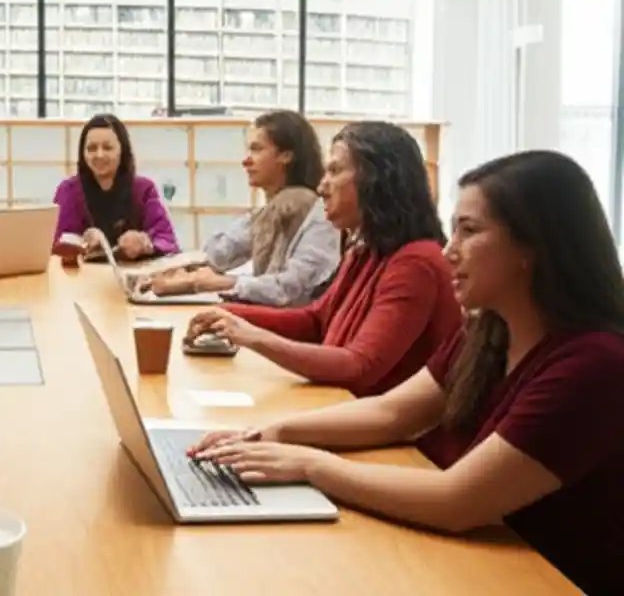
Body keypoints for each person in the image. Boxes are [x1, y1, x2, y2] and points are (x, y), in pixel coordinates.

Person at [189, 151, 624, 595]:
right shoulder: (489, 330)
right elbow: (391, 414)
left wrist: (308, 464)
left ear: (534, 247)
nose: (449, 250)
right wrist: (274, 433)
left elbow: (458, 501)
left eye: (469, 231)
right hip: (467, 558)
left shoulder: (594, 365)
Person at [187, 121, 461, 396]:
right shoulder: (365, 250)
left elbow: (360, 367)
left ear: (376, 179)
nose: (321, 187)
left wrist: (254, 337)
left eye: (335, 171)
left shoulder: (416, 263)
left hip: (393, 435)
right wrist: (229, 316)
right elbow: (317, 322)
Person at [147, 110, 340, 305]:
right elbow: (218, 254)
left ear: (286, 155)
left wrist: (213, 283)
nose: (246, 161)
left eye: (257, 149)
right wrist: (181, 273)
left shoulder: (321, 217)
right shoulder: (269, 212)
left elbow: (289, 289)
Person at [52, 113, 179, 260]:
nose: (99, 155)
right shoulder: (68, 191)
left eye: (107, 147)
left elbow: (168, 241)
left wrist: (145, 243)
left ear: (122, 150)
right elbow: (53, 244)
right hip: (82, 278)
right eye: (91, 148)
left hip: (136, 277)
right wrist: (81, 243)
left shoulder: (144, 189)